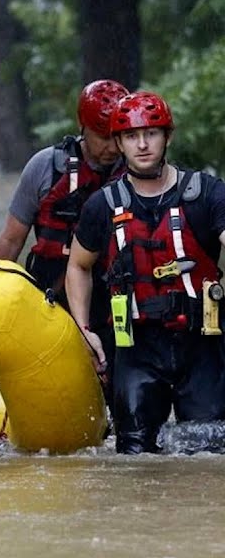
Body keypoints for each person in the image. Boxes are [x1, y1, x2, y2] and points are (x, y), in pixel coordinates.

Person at [66, 91, 225, 454]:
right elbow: (77, 265)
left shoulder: (207, 194)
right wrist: (83, 328)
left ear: (167, 137)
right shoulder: (102, 205)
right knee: (134, 455)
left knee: (207, 452)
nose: (142, 144)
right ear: (119, 143)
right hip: (135, 348)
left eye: (151, 134)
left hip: (202, 343)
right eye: (131, 136)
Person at [0, 79, 127, 395]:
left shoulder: (141, 173)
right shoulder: (45, 168)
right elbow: (10, 242)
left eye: (118, 137)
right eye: (103, 137)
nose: (112, 147)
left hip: (116, 304)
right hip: (52, 300)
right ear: (83, 127)